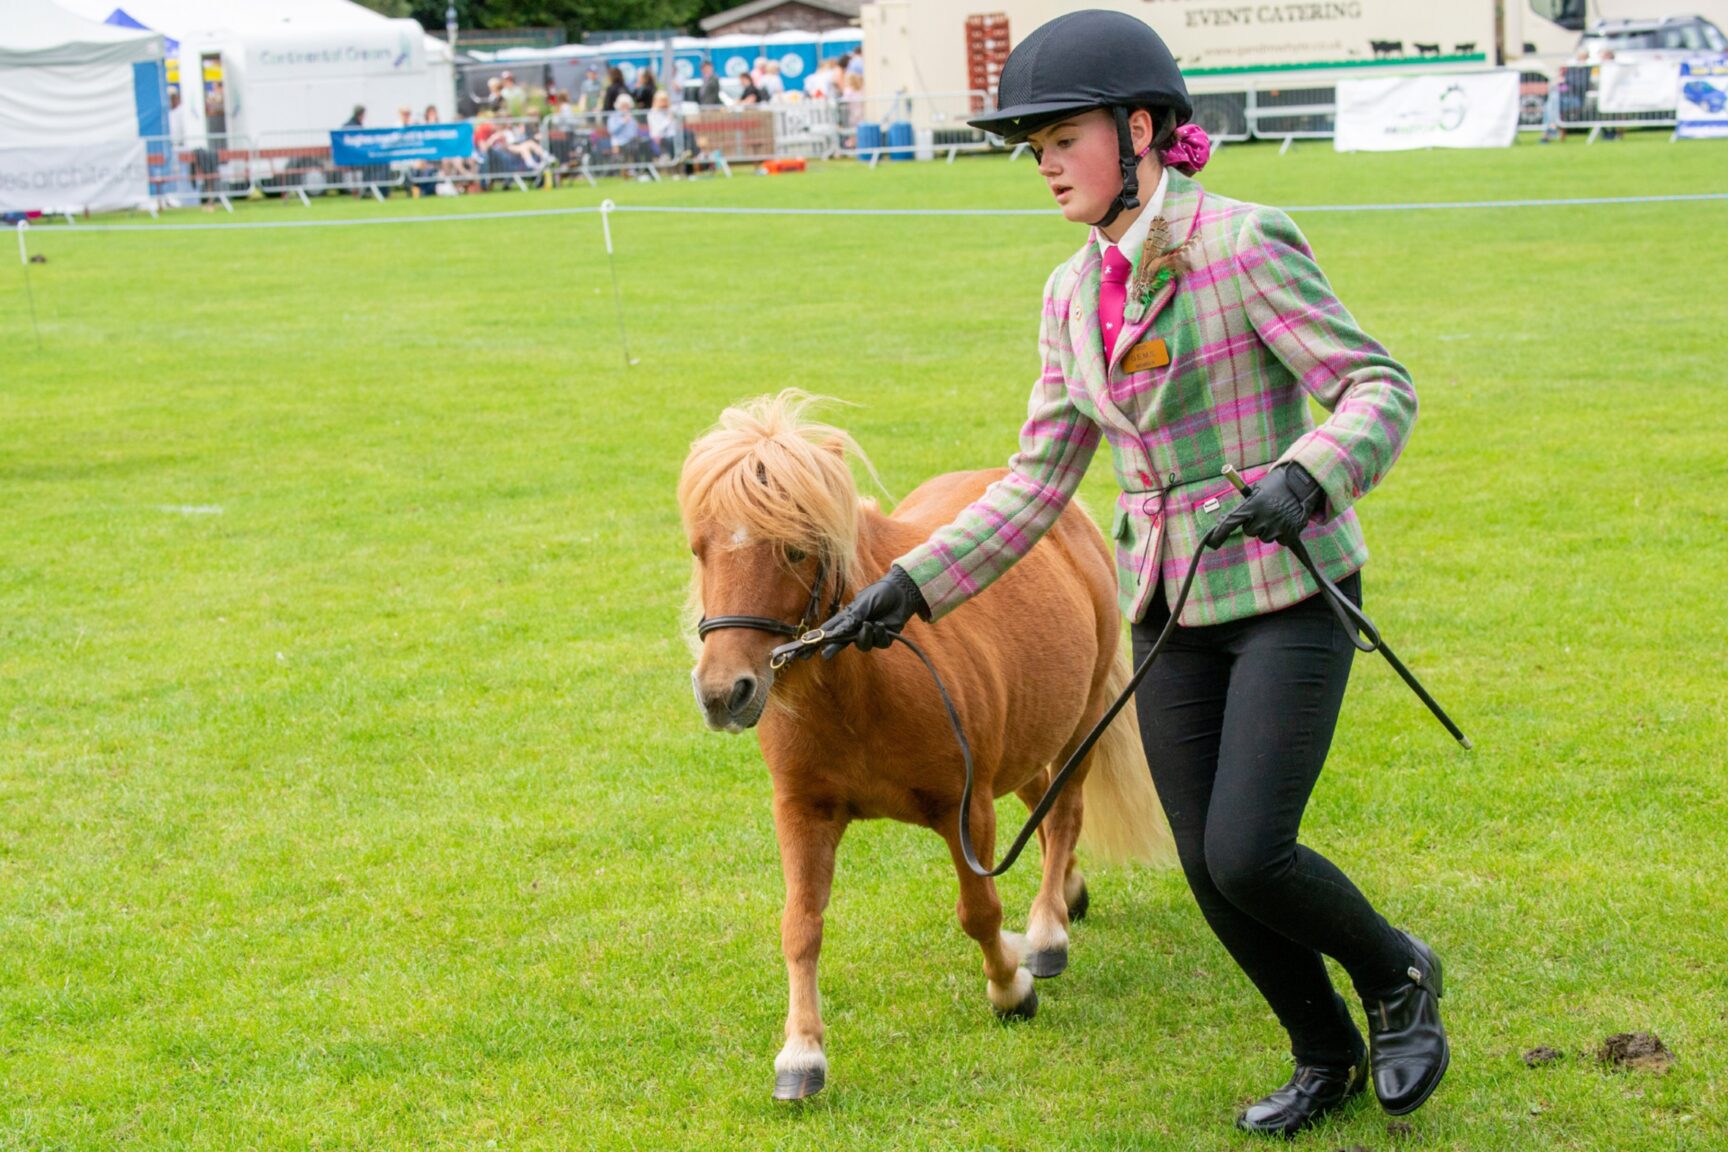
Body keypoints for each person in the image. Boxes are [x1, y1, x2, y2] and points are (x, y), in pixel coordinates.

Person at [813, 9, 1443, 1140]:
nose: (1046, 164)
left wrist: (1307, 474)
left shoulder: (1243, 243)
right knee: (1207, 866)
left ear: (1140, 131)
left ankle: (1398, 976)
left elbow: (1377, 387)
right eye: (1036, 148)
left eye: (1065, 138)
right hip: (1164, 605)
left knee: (1251, 849)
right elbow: (1035, 483)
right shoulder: (1070, 293)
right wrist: (910, 584)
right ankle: (1325, 1055)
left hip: (1287, 589)